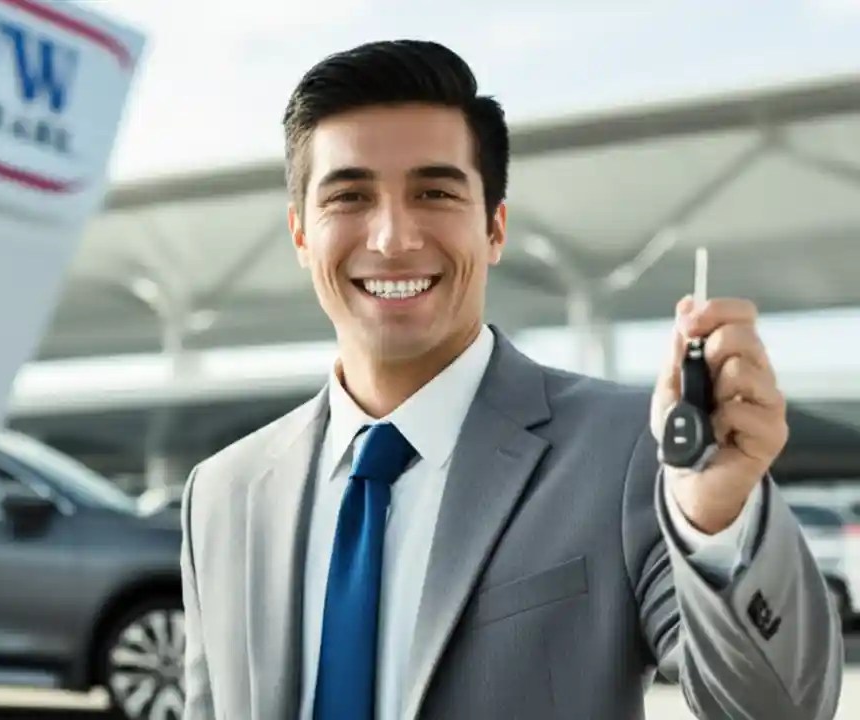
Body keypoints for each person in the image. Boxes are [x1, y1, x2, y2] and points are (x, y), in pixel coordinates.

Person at [178, 39, 843, 720]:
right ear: (300, 235)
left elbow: (777, 710)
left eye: (434, 191)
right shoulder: (222, 495)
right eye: (350, 195)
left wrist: (718, 515)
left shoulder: (629, 454)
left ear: (495, 227)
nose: (392, 237)